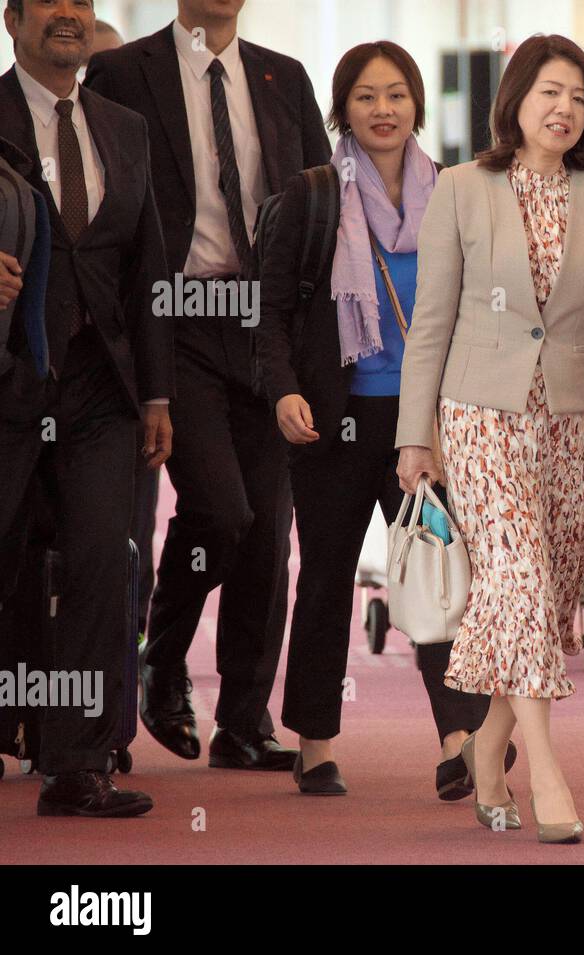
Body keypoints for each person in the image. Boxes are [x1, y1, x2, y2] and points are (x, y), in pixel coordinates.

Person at [395, 33, 584, 843]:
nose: (564, 108)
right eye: (551, 91)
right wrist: (415, 435)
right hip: (478, 414)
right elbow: (432, 321)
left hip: (572, 423)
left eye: (579, 97)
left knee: (544, 599)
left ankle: (487, 747)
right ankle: (545, 770)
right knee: (514, 576)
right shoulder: (461, 188)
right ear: (515, 100)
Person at [254, 41, 517, 797]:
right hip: (332, 421)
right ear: (343, 109)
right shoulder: (310, 196)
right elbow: (268, 315)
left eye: (397, 94)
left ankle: (460, 738)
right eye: (366, 97)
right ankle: (315, 742)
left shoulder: (458, 193)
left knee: (440, 573)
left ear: (417, 106)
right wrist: (282, 391)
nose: (383, 110)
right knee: (328, 579)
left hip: (427, 424)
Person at [85, 0, 332, 771]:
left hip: (265, 323)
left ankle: (244, 717)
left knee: (268, 528)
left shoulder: (285, 78)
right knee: (221, 509)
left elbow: (324, 205)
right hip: (177, 317)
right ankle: (160, 659)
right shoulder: (125, 72)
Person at [0, 0, 171, 816]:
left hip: (103, 390)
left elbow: (148, 275)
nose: (69, 13)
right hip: (7, 381)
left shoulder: (125, 128)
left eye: (82, 2)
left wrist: (159, 394)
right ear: (12, 20)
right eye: (49, 2)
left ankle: (78, 762)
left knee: (103, 559)